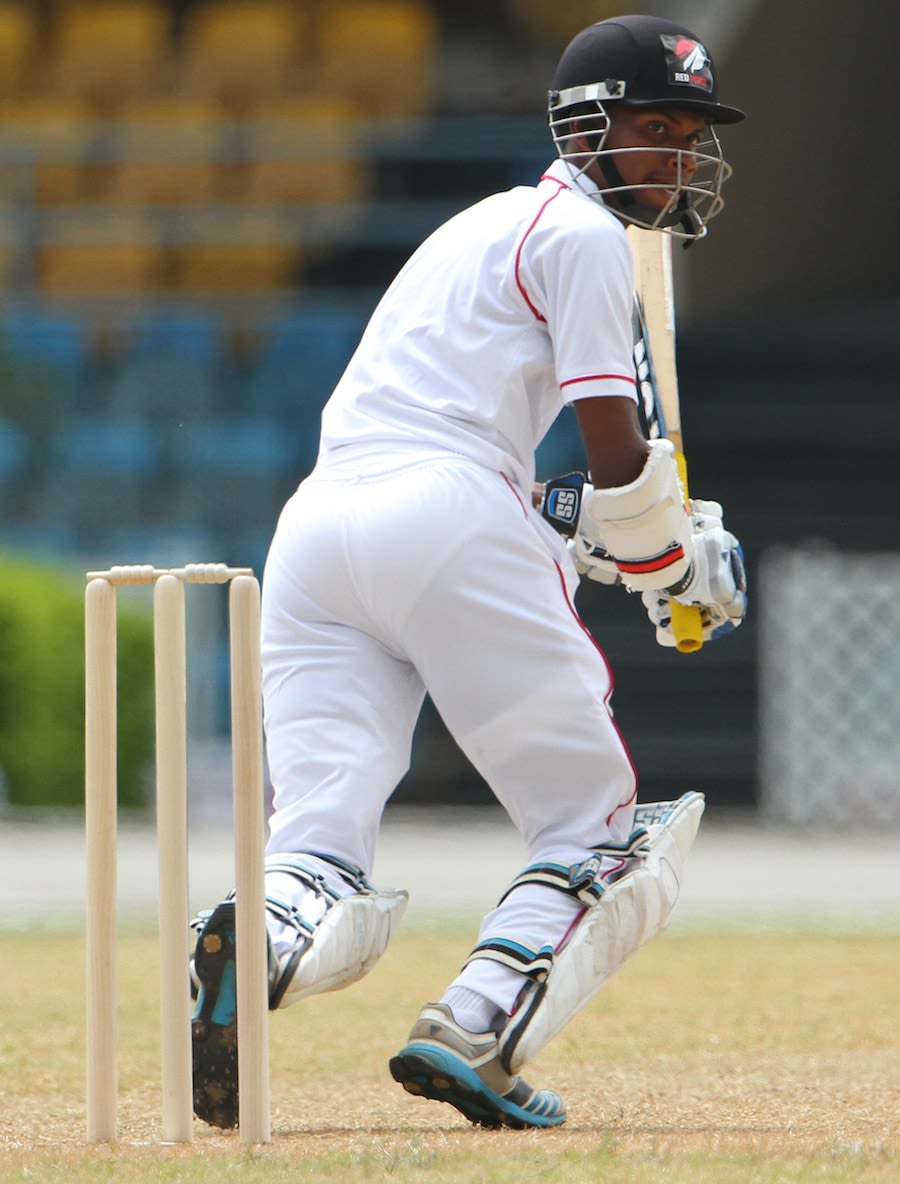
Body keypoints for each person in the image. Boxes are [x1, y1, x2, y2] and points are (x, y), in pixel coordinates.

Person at [190, 13, 747, 1132]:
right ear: (586, 128)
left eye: (690, 135)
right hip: (446, 512)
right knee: (597, 830)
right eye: (656, 130)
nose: (679, 159)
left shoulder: (480, 225)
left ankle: (252, 940)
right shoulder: (590, 238)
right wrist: (679, 558)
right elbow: (613, 453)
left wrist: (633, 537)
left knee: (318, 833)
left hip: (321, 529)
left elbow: (540, 490)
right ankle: (479, 1023)